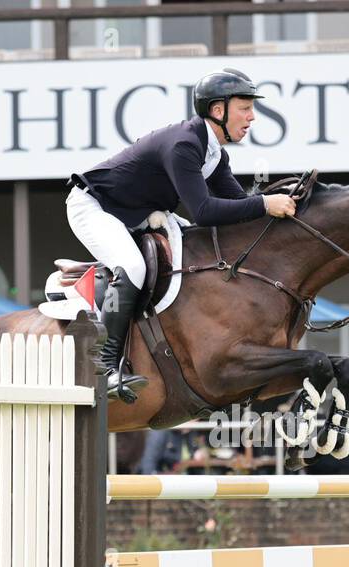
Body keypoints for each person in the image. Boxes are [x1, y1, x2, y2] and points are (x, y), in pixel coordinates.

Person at [65, 68, 295, 403]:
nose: (252, 117)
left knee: (195, 255)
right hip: (94, 207)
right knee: (133, 267)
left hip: (137, 212)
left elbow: (237, 205)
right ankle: (103, 366)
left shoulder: (213, 153)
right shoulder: (185, 145)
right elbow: (203, 212)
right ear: (218, 110)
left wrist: (285, 207)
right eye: (245, 108)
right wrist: (264, 204)